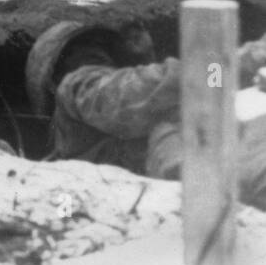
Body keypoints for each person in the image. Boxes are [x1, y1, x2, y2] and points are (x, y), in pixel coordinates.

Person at [27, 21, 266, 208]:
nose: (92, 55)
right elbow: (135, 94)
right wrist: (240, 62)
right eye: (78, 52)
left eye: (99, 47)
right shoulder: (77, 89)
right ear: (54, 79)